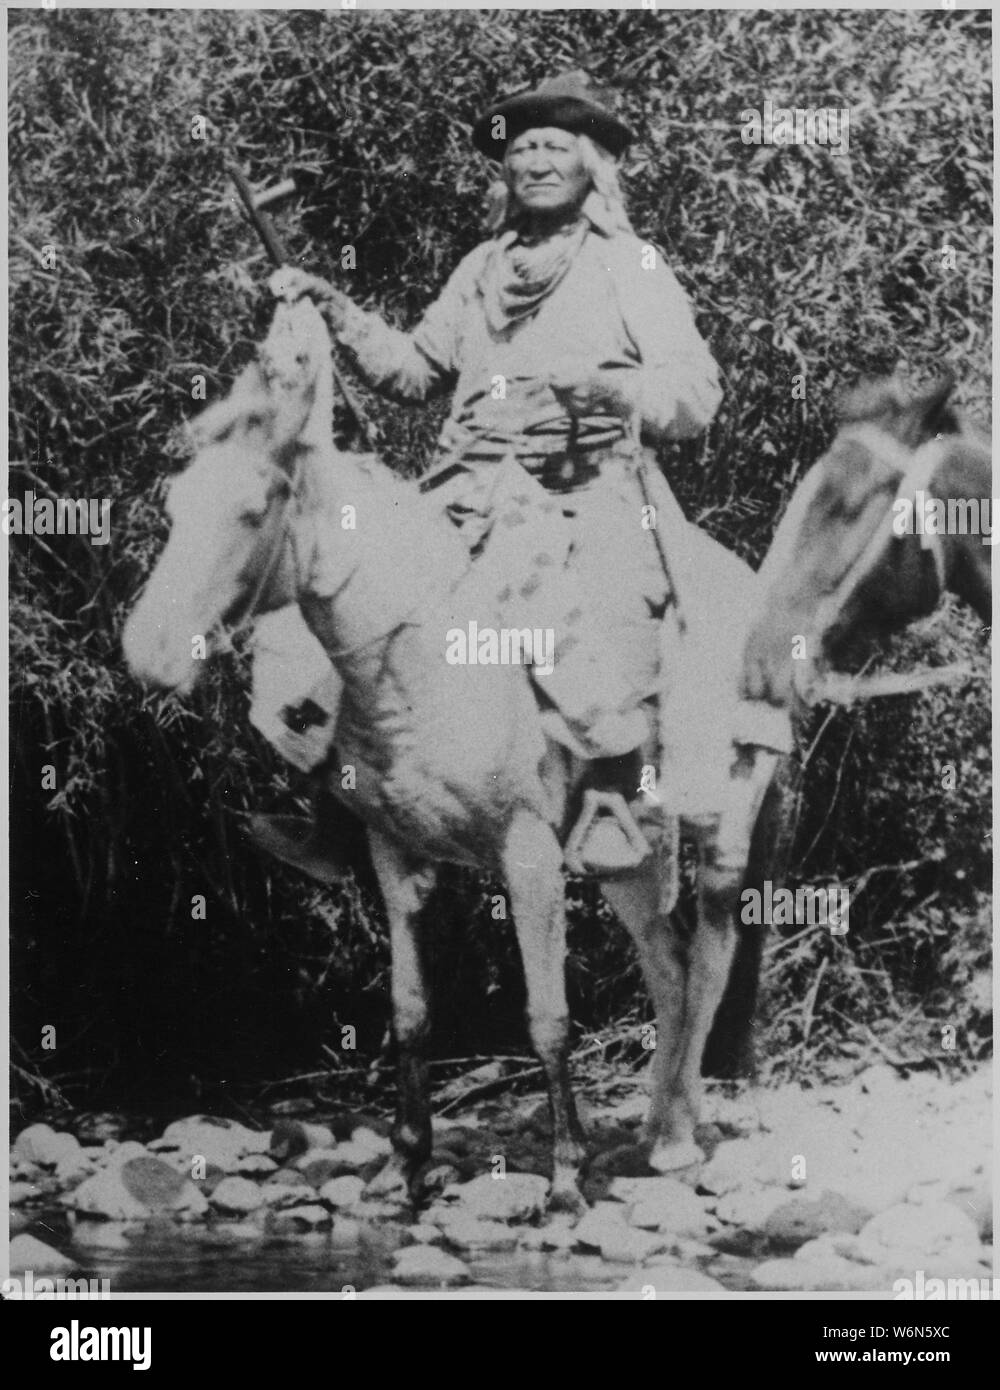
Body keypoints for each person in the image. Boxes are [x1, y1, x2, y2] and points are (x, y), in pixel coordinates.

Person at [249, 71, 723, 878]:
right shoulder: (482, 268)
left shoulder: (629, 265)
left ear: (592, 163)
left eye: (553, 145)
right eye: (521, 147)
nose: (534, 160)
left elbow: (695, 395)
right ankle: (338, 809)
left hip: (587, 492)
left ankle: (613, 805)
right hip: (462, 492)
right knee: (338, 597)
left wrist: (606, 386)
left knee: (580, 619)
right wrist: (329, 302)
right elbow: (413, 372)